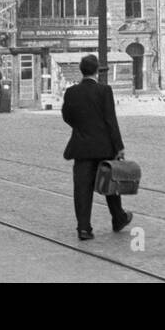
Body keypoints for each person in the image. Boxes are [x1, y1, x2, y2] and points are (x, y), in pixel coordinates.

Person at [61, 55, 132, 241]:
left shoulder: (71, 92)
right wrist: (119, 147)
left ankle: (84, 229)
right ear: (96, 71)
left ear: (81, 70)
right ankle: (118, 218)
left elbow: (67, 116)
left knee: (82, 189)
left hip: (81, 149)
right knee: (111, 184)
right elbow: (111, 120)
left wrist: (81, 128)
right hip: (104, 147)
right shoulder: (104, 91)